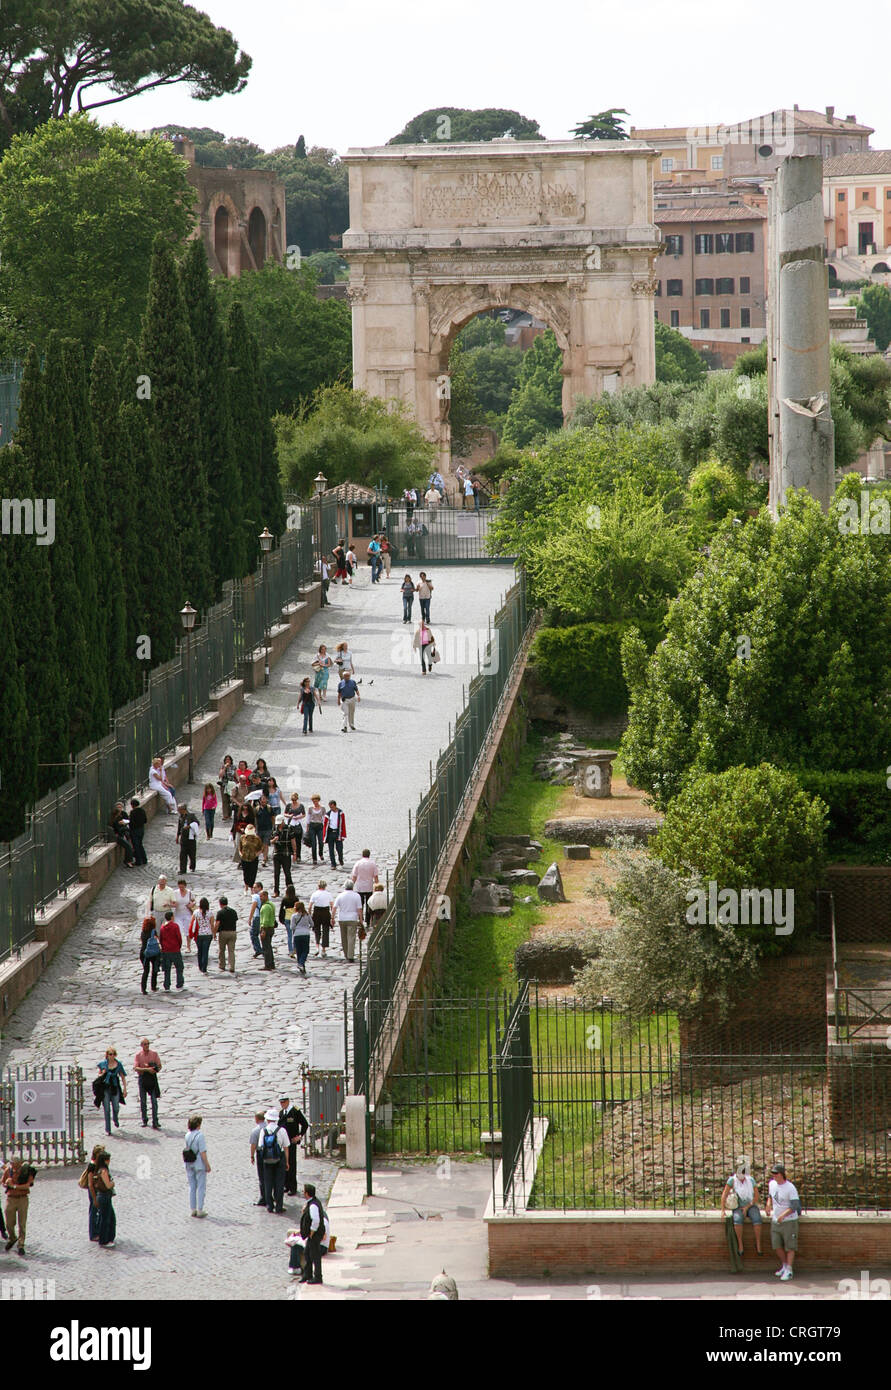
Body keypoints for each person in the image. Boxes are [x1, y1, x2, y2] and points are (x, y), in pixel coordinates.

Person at [721, 1159, 763, 1256]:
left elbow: (756, 1196)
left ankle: (758, 1243)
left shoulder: (751, 1180)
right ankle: (740, 1244)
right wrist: (723, 1210)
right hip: (738, 1205)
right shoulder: (732, 1180)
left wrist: (747, 1207)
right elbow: (724, 1194)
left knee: (757, 1219)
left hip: (750, 1204)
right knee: (737, 1220)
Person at [766, 1163, 800, 1281]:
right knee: (776, 1245)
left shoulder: (790, 1188)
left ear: (782, 1174)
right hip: (776, 1220)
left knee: (790, 1246)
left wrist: (783, 1215)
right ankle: (784, 1265)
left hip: (789, 1221)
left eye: (776, 1174)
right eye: (773, 1174)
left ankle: (789, 1269)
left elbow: (795, 1205)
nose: (774, 1176)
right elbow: (770, 1196)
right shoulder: (772, 1184)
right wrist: (768, 1205)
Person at [2, 1155, 36, 1256]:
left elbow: (28, 1185)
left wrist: (15, 1186)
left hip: (22, 1198)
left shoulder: (26, 1171)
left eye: (17, 1165)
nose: (15, 1167)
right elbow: (3, 1182)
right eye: (13, 1165)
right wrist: (6, 1184)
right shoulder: (8, 1171)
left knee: (22, 1223)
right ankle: (12, 1238)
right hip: (11, 1198)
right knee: (9, 1222)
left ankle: (21, 1244)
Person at [259, 1110, 290, 1214]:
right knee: (279, 1183)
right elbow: (286, 1147)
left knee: (268, 1183)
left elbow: (260, 1146)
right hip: (279, 1158)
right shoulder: (282, 1131)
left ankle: (269, 1205)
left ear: (267, 1119)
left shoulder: (263, 1131)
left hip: (267, 1159)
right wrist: (287, 1162)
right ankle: (279, 1206)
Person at [278, 1095, 309, 1196]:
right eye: (281, 1102)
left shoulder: (295, 1111)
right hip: (283, 1142)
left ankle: (293, 1187)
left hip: (291, 1142)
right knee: (284, 1163)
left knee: (291, 1164)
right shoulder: (281, 1113)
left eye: (283, 1102)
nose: (282, 1104)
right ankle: (286, 1185)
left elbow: (305, 1124)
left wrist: (300, 1136)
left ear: (288, 1101)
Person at [182, 1115, 210, 1218]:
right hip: (198, 1163)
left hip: (189, 1163)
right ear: (198, 1124)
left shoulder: (187, 1135)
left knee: (192, 1186)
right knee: (201, 1187)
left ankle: (193, 1209)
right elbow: (202, 1152)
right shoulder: (200, 1135)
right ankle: (200, 1209)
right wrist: (207, 1164)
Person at [97, 1047, 128, 1135]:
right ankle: (108, 1129)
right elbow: (99, 1075)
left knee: (116, 1107)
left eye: (113, 1054)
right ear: (107, 1055)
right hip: (106, 1088)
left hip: (115, 1087)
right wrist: (102, 1073)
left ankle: (115, 1118)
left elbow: (122, 1077)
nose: (112, 1056)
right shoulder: (103, 1064)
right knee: (106, 1109)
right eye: (110, 1054)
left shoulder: (118, 1064)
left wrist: (125, 1089)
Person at [299, 1183, 326, 1283]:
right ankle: (308, 1274)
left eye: (304, 1191)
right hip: (313, 1234)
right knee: (307, 1253)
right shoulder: (311, 1203)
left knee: (315, 1255)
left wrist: (311, 1232)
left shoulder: (313, 1205)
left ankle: (318, 1276)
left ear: (307, 1193)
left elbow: (316, 1220)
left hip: (315, 1234)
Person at [134, 1038, 162, 1130]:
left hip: (152, 1078)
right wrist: (146, 1070)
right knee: (143, 1101)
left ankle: (155, 1121)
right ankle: (144, 1120)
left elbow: (159, 1066)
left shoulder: (154, 1054)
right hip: (143, 1079)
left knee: (154, 1101)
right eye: (145, 1044)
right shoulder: (138, 1056)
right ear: (141, 1045)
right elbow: (136, 1068)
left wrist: (154, 1069)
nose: (147, 1046)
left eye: (148, 1044)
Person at [91, 1150, 116, 1249]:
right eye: (108, 1159)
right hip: (104, 1196)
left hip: (101, 1196)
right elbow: (108, 1185)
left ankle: (106, 1238)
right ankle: (104, 1240)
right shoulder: (104, 1171)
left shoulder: (98, 1169)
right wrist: (112, 1183)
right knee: (106, 1218)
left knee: (105, 1217)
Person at [333, 880, 363, 963]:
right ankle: (350, 955)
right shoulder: (356, 896)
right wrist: (361, 919)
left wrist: (332, 918)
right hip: (352, 918)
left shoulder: (340, 895)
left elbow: (334, 907)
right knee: (351, 937)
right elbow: (359, 909)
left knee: (344, 937)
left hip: (342, 918)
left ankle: (346, 954)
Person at [83, 1144, 106, 1243]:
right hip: (93, 1190)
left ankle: (97, 1230)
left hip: (97, 1189)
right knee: (93, 1210)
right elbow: (90, 1184)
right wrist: (94, 1198)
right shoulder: (92, 1166)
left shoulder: (99, 1164)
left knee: (96, 1210)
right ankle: (93, 1234)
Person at [351, 849, 380, 923]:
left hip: (359, 887)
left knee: (360, 904)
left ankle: (360, 918)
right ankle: (368, 919)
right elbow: (375, 876)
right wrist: (377, 886)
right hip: (369, 887)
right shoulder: (372, 864)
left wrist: (351, 885)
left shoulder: (358, 863)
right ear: (369, 855)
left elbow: (354, 876)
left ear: (362, 854)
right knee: (369, 904)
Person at [159, 910, 185, 991]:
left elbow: (161, 939)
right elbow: (179, 938)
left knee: (167, 969)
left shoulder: (162, 927)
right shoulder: (175, 926)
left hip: (166, 951)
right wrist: (179, 946)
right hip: (175, 950)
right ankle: (179, 984)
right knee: (179, 967)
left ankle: (167, 986)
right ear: (171, 917)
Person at [189, 897, 214, 973]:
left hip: (198, 934)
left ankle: (200, 965)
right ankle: (204, 967)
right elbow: (212, 924)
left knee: (200, 951)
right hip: (208, 934)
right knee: (205, 951)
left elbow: (191, 922)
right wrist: (214, 933)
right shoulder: (210, 913)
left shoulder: (196, 912)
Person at [309, 880, 333, 958]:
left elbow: (310, 906)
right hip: (325, 912)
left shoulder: (315, 894)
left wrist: (310, 914)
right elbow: (332, 905)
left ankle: (317, 947)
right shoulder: (328, 894)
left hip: (317, 912)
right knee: (326, 930)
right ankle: (323, 949)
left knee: (316, 929)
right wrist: (332, 916)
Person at [271, 818, 294, 897]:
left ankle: (290, 890)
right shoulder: (274, 828)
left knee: (287, 872)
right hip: (277, 853)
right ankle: (276, 891)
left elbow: (293, 840)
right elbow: (270, 841)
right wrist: (274, 840)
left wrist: (294, 853)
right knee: (276, 873)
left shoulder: (289, 828)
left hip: (286, 853)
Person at [214, 896, 238, 973]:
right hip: (233, 932)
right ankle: (232, 966)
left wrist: (214, 933)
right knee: (231, 951)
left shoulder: (220, 913)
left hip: (223, 933)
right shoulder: (233, 911)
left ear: (220, 904)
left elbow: (217, 924)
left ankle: (222, 965)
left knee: (222, 950)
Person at [249, 1111, 268, 1205]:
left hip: (261, 1154)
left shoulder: (255, 1130)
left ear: (256, 1119)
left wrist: (252, 1156)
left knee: (262, 1176)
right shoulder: (270, 1128)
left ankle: (263, 1197)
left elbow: (253, 1145)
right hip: (272, 1154)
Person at [172, 877, 195, 952]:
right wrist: (173, 904)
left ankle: (188, 946)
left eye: (182, 887)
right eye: (180, 887)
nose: (181, 888)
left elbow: (194, 901)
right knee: (177, 930)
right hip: (178, 914)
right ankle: (177, 946)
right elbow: (172, 901)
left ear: (185, 886)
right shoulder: (175, 892)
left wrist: (192, 904)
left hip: (187, 914)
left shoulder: (189, 892)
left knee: (187, 930)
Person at [139, 916, 161, 994]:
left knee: (146, 970)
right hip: (153, 952)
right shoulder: (153, 932)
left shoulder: (143, 932)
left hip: (143, 952)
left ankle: (143, 989)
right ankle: (153, 986)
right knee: (154, 970)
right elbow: (156, 940)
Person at [291, 901, 313, 975]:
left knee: (299, 951)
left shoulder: (294, 916)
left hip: (297, 935)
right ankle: (301, 964)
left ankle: (301, 965)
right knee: (305, 950)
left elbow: (292, 927)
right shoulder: (307, 915)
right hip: (306, 934)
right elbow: (312, 924)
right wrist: (307, 927)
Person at [176, 804, 199, 874]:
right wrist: (177, 836)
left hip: (191, 838)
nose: (178, 811)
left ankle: (192, 867)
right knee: (182, 854)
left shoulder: (191, 816)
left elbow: (197, 823)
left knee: (192, 854)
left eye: (179, 810)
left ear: (183, 810)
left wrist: (189, 826)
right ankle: (182, 870)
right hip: (183, 838)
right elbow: (179, 827)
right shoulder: (181, 817)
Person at [240, 823, 262, 892]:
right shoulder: (242, 838)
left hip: (253, 858)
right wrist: (240, 854)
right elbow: (240, 847)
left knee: (253, 873)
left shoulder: (257, 839)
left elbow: (260, 848)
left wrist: (256, 854)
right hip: (244, 858)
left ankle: (251, 887)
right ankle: (246, 886)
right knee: (245, 873)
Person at [324, 799, 347, 866]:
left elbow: (343, 824)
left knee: (339, 849)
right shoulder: (328, 814)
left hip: (338, 832)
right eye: (330, 807)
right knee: (331, 849)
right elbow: (325, 825)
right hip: (331, 833)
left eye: (332, 807)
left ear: (335, 806)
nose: (331, 808)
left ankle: (340, 859)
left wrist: (343, 835)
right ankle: (333, 863)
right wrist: (324, 837)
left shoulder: (340, 813)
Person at [259, 889, 277, 970]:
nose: (260, 898)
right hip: (271, 928)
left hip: (266, 929)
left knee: (266, 948)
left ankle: (268, 964)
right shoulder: (271, 904)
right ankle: (271, 963)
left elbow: (265, 920)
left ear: (266, 896)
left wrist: (263, 930)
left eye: (261, 896)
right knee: (269, 947)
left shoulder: (265, 907)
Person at [255, 793, 274, 868]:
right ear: (260, 801)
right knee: (259, 845)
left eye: (265, 801)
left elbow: (273, 818)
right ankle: (257, 858)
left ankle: (264, 859)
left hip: (268, 829)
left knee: (266, 844)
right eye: (262, 801)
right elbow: (255, 819)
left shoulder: (269, 808)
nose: (263, 802)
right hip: (259, 829)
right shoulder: (256, 809)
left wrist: (273, 827)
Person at [285, 794, 306, 861]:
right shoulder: (288, 805)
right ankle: (293, 854)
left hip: (298, 824)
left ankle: (298, 855)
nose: (293, 801)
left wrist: (298, 817)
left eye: (295, 800)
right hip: (291, 824)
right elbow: (285, 813)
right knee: (290, 840)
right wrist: (290, 816)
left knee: (298, 841)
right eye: (292, 800)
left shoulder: (301, 806)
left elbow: (304, 814)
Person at [305, 794, 325, 864]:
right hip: (312, 826)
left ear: (318, 801)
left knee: (321, 842)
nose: (315, 802)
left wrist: (325, 827)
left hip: (319, 826)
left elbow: (324, 818)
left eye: (316, 801)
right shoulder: (310, 808)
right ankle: (314, 858)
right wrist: (307, 828)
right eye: (313, 801)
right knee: (313, 843)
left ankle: (321, 853)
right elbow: (308, 818)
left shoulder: (322, 808)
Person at [128, 798, 148, 865]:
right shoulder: (142, 811)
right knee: (140, 845)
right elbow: (145, 820)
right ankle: (144, 859)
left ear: (132, 805)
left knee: (136, 846)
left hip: (134, 831)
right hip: (141, 830)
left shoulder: (133, 812)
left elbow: (131, 823)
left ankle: (138, 861)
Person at [279, 884, 298, 955]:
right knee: (295, 934)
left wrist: (281, 919)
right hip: (294, 918)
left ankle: (290, 951)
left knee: (289, 935)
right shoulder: (296, 899)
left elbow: (281, 909)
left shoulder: (285, 899)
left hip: (287, 918)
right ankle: (295, 949)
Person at [248, 881, 265, 956]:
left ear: (260, 888)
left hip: (257, 916)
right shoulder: (267, 895)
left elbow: (254, 906)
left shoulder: (255, 896)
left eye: (255, 887)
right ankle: (265, 949)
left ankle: (258, 949)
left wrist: (250, 918)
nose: (253, 889)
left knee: (253, 934)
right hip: (264, 916)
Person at [218, 754, 237, 821]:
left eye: (229, 759)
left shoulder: (233, 767)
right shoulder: (222, 767)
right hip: (224, 785)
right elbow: (220, 775)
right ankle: (225, 815)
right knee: (224, 800)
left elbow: (236, 775)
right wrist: (225, 768)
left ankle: (229, 814)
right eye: (226, 760)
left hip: (231, 785)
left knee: (230, 800)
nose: (227, 761)